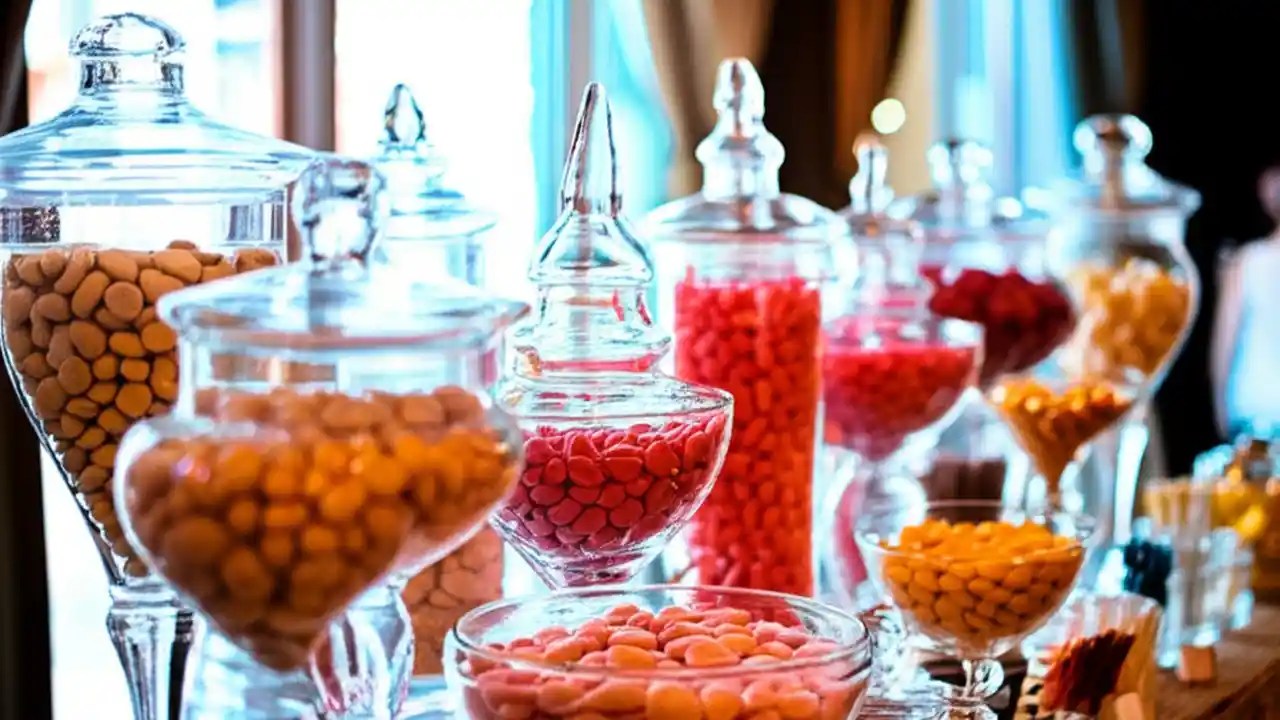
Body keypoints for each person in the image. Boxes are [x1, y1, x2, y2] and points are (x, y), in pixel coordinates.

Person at [1211, 166, 1280, 439]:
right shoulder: (1246, 261)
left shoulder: (1247, 261)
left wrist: (1220, 409)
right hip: (1257, 415)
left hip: (1255, 411)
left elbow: (1224, 342)